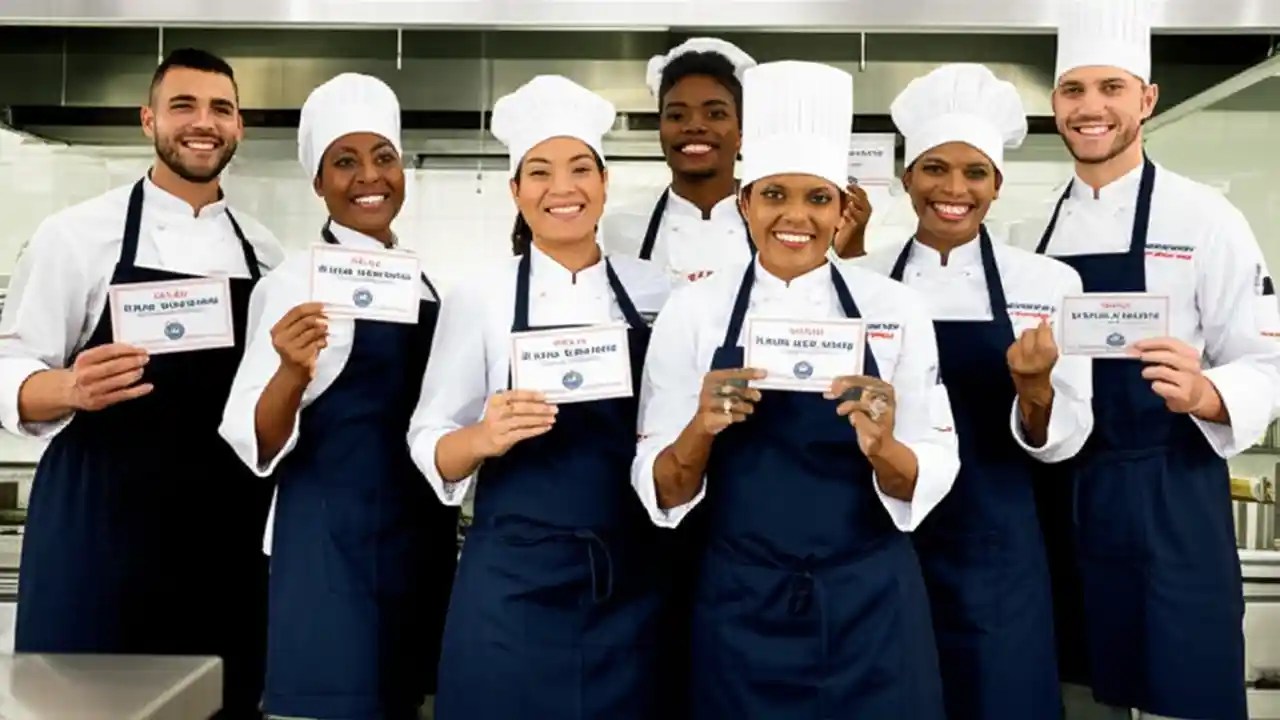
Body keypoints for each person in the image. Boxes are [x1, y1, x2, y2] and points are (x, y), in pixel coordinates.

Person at [633, 59, 959, 719]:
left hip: (871, 600)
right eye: (775, 194)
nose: (796, 217)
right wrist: (701, 426)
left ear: (842, 209)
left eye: (817, 198)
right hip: (739, 601)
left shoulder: (895, 308)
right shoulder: (695, 311)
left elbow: (926, 472)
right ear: (744, 202)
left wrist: (883, 444)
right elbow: (663, 489)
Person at [0, 48, 283, 718]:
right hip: (99, 539)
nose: (203, 123)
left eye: (221, 108)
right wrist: (67, 387)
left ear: (239, 125)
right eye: (183, 105)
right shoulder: (76, 236)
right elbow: (8, 369)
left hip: (224, 549)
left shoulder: (265, 253)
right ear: (148, 119)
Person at [1030, 1, 1280, 718]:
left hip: (1168, 495)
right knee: (1071, 694)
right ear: (1055, 104)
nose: (1091, 108)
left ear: (1146, 99)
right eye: (1074, 90)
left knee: (1182, 694)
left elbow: (1269, 361)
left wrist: (1206, 393)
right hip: (1056, 502)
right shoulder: (1031, 229)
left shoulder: (1207, 220)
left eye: (1112, 89)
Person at [407, 75, 673, 720]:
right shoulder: (480, 296)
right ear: (516, 190)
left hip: (631, 577)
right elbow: (429, 439)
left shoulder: (657, 293)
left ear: (605, 184)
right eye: (540, 172)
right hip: (512, 585)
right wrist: (482, 438)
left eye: (582, 168)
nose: (563, 188)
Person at [855, 62, 1093, 719]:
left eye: (974, 172)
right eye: (934, 168)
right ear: (907, 178)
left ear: (997, 184)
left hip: (998, 549)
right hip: (881, 538)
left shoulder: (1049, 284)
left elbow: (1061, 443)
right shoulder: (859, 281)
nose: (953, 189)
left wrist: (1035, 387)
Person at [218, 73, 458, 720]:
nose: (368, 177)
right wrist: (292, 371)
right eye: (344, 162)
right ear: (319, 182)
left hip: (419, 545)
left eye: (383, 157)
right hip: (327, 546)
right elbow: (254, 440)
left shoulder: (429, 286)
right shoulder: (292, 281)